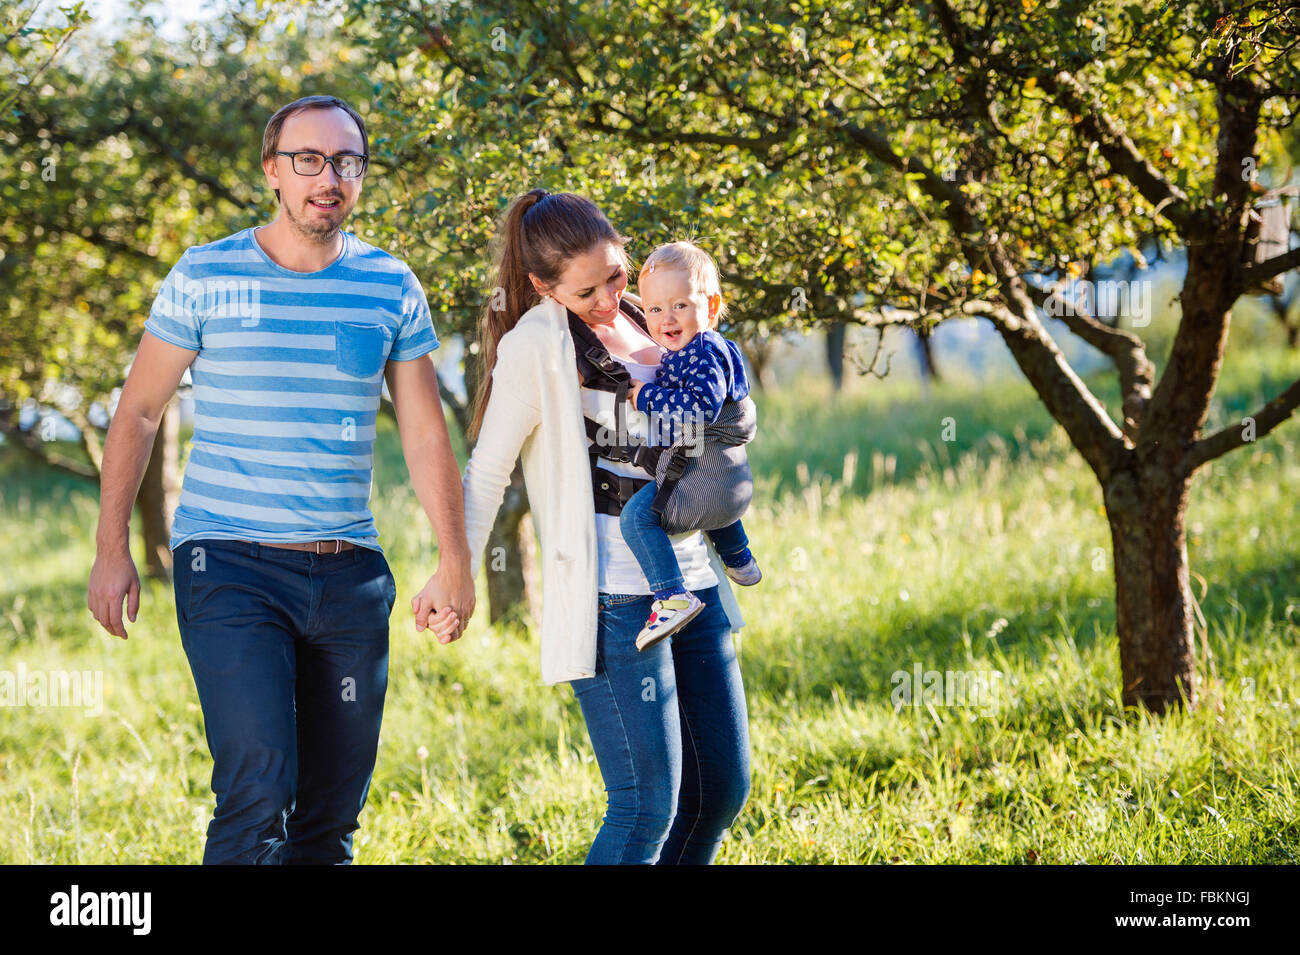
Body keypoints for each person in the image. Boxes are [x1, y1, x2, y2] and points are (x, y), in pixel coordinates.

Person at [85, 95, 475, 864]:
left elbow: (427, 431)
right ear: (273, 170)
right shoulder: (204, 275)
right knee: (259, 788)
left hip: (350, 576)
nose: (328, 177)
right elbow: (136, 414)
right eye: (309, 159)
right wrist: (111, 547)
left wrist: (456, 558)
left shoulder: (389, 285)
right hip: (228, 564)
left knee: (330, 814)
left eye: (347, 161)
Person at [461, 189, 751, 864]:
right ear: (543, 285)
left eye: (615, 275)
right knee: (646, 802)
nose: (606, 296)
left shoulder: (653, 313)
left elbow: (708, 408)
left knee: (718, 793)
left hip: (695, 581)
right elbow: (486, 469)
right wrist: (457, 571)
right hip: (617, 597)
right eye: (585, 288)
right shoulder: (537, 344)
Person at [621, 241, 762, 651]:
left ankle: (670, 595)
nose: (667, 318)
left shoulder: (702, 351)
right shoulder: (701, 349)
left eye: (680, 305)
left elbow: (698, 409)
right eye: (654, 309)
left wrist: (644, 396)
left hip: (712, 487)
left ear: (712, 305)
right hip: (730, 493)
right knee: (706, 484)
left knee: (637, 519)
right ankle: (739, 557)